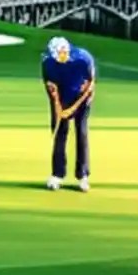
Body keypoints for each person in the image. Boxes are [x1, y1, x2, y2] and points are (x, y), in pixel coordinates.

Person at [41, 36, 95, 192]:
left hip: (82, 96)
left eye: (62, 53)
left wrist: (73, 108)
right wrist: (59, 108)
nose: (60, 57)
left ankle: (83, 176)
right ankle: (57, 175)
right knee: (59, 132)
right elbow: (52, 90)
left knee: (81, 131)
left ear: (67, 50)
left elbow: (90, 85)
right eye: (56, 54)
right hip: (62, 96)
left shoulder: (84, 58)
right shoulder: (48, 63)